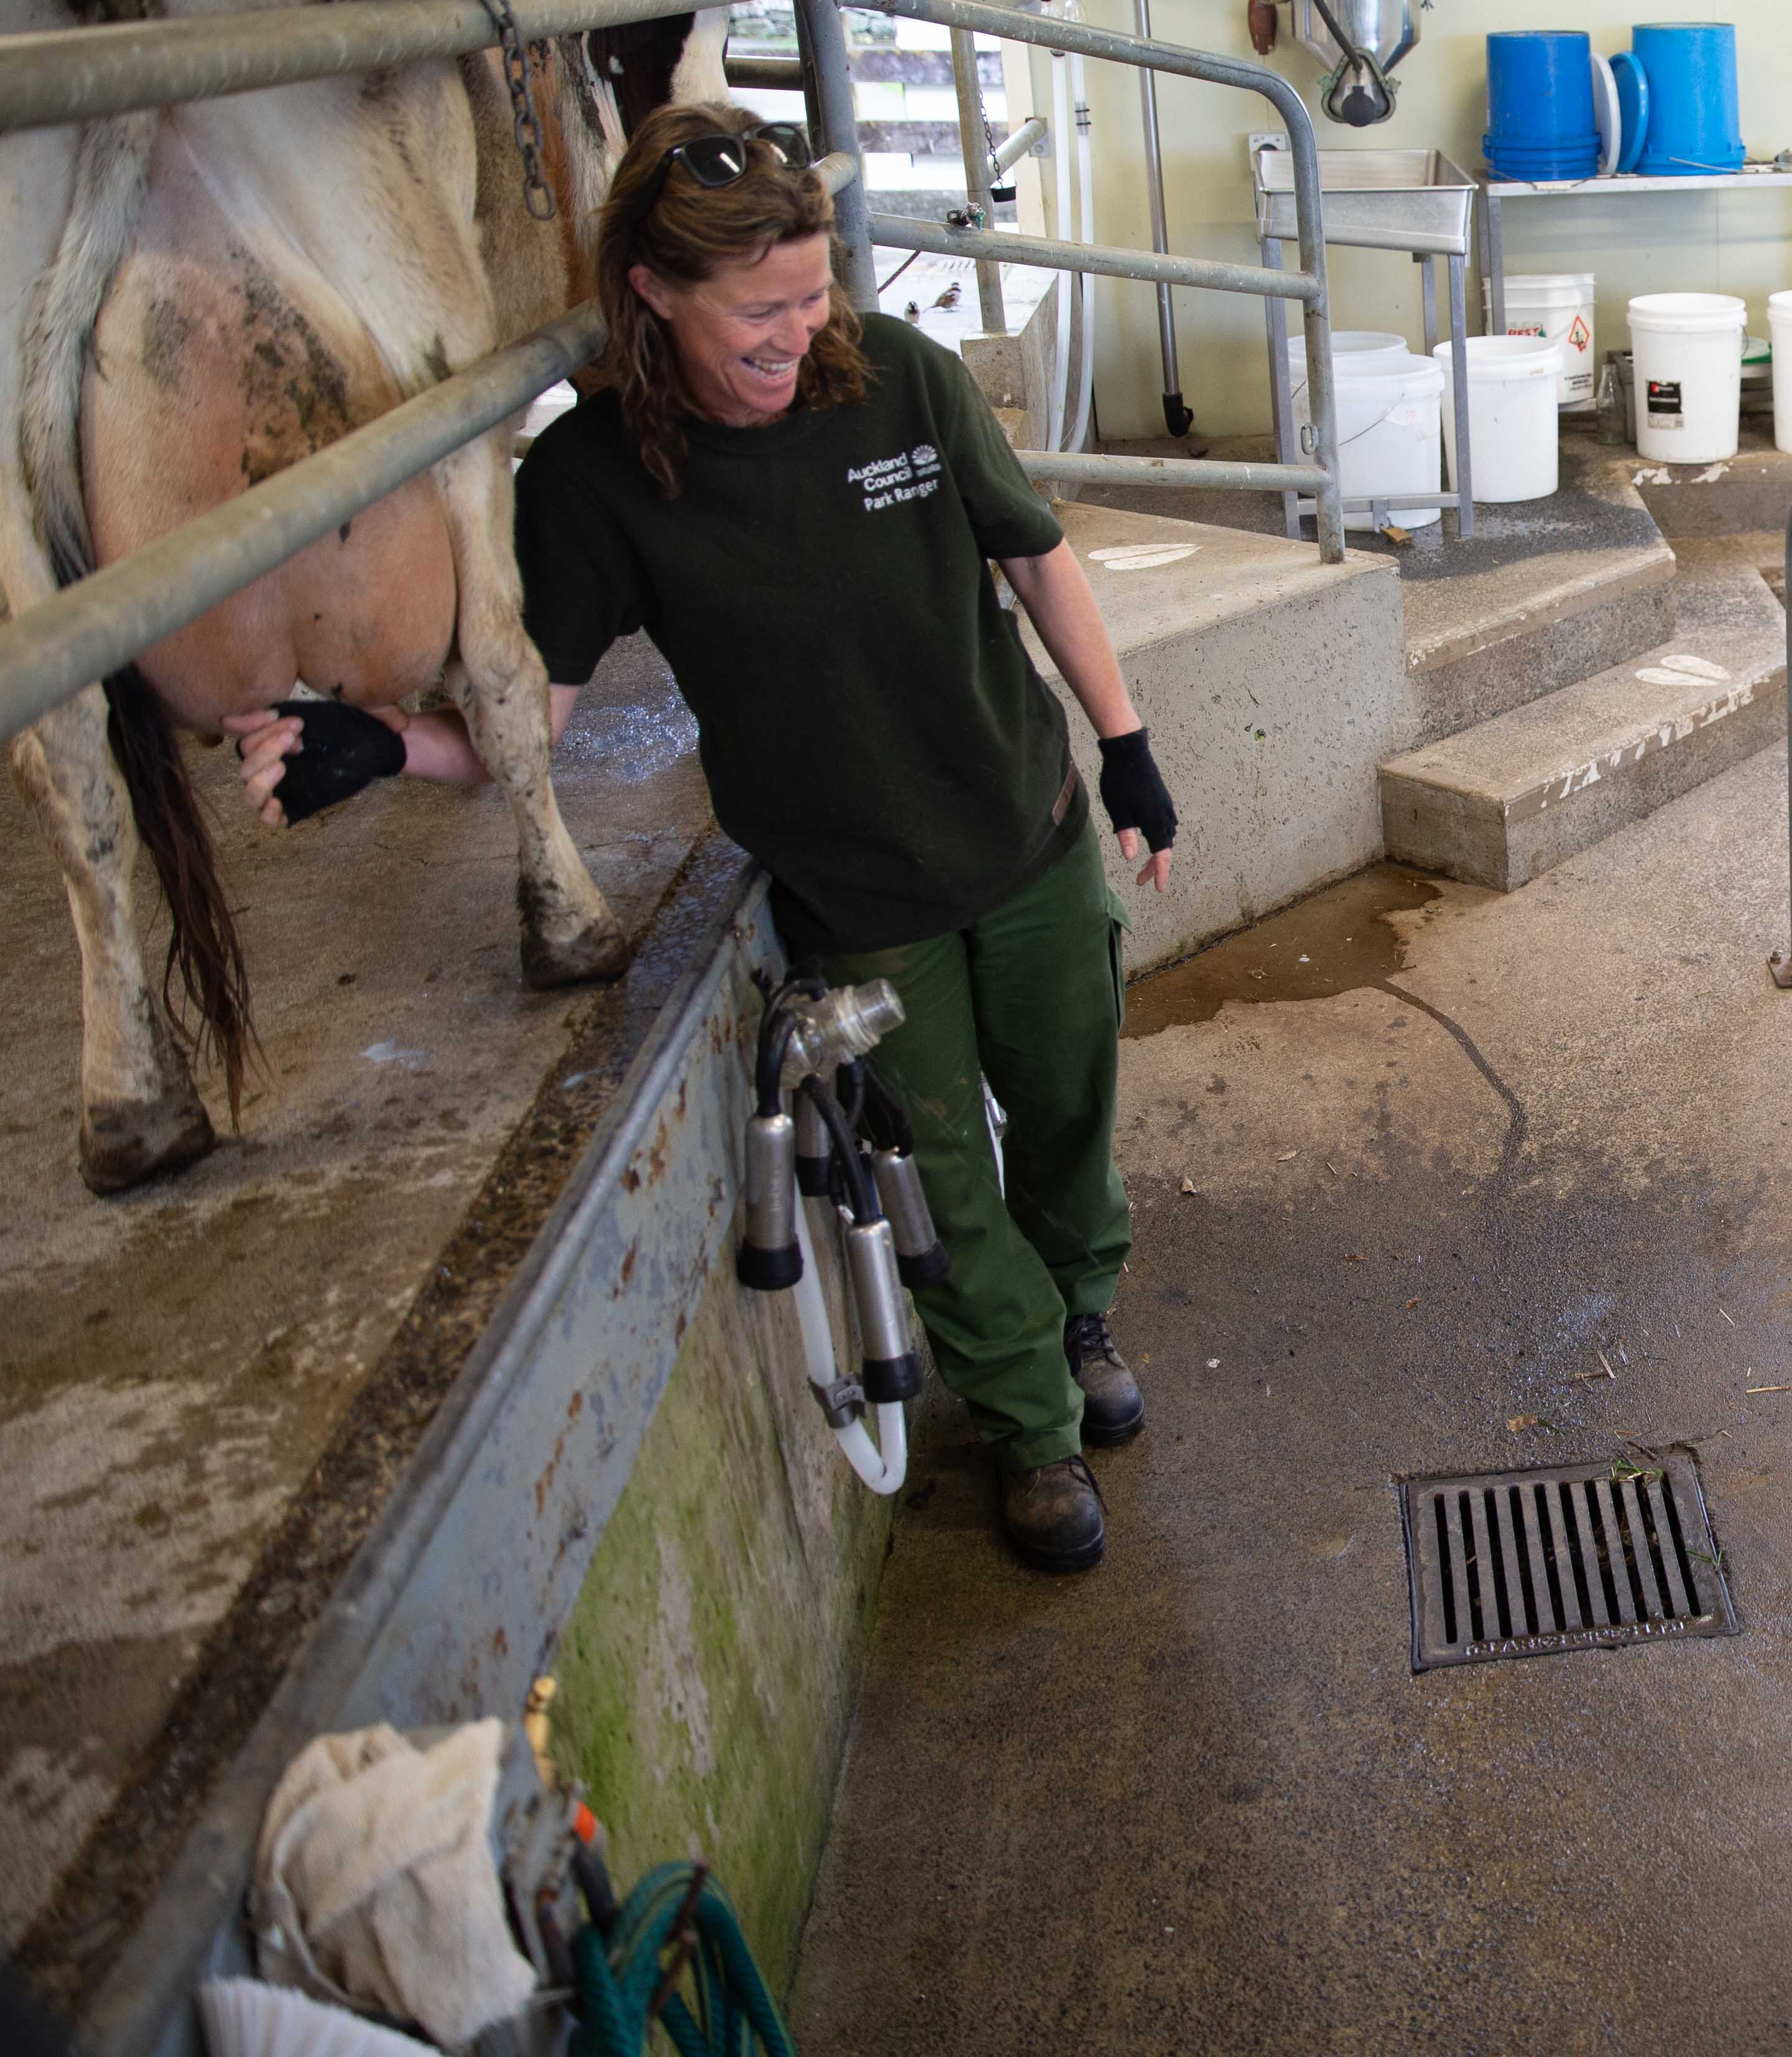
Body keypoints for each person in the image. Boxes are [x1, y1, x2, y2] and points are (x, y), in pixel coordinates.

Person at [231, 106, 1173, 1576]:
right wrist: (381, 747)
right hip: (861, 900)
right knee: (938, 1162)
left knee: (1066, 1108)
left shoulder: (902, 380)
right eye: (763, 310)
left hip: (1026, 827)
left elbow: (1036, 557)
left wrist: (1124, 747)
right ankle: (1030, 1425)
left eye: (815, 293)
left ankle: (1083, 1311)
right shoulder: (596, 479)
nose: (805, 330)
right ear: (654, 292)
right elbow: (520, 728)